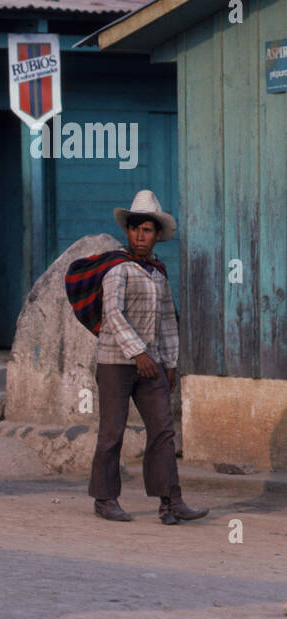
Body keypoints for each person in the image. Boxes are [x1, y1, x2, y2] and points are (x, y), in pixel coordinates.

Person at [89, 190, 206, 525]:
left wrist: (170, 364)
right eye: (135, 229)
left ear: (157, 236)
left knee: (163, 430)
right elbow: (113, 313)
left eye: (147, 230)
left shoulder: (158, 273)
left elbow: (169, 320)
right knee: (112, 431)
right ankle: (105, 498)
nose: (140, 236)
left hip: (152, 364)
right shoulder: (117, 269)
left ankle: (171, 501)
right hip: (116, 362)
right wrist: (137, 352)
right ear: (128, 232)